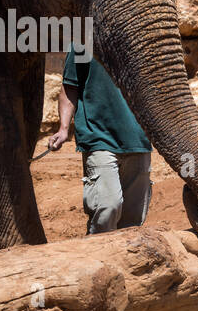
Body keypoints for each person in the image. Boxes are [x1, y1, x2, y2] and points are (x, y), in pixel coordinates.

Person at [48, 46, 152, 234]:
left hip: (138, 139)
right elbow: (69, 86)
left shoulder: (141, 41)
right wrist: (63, 129)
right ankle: (97, 258)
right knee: (107, 207)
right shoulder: (83, 42)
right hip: (98, 137)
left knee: (133, 220)